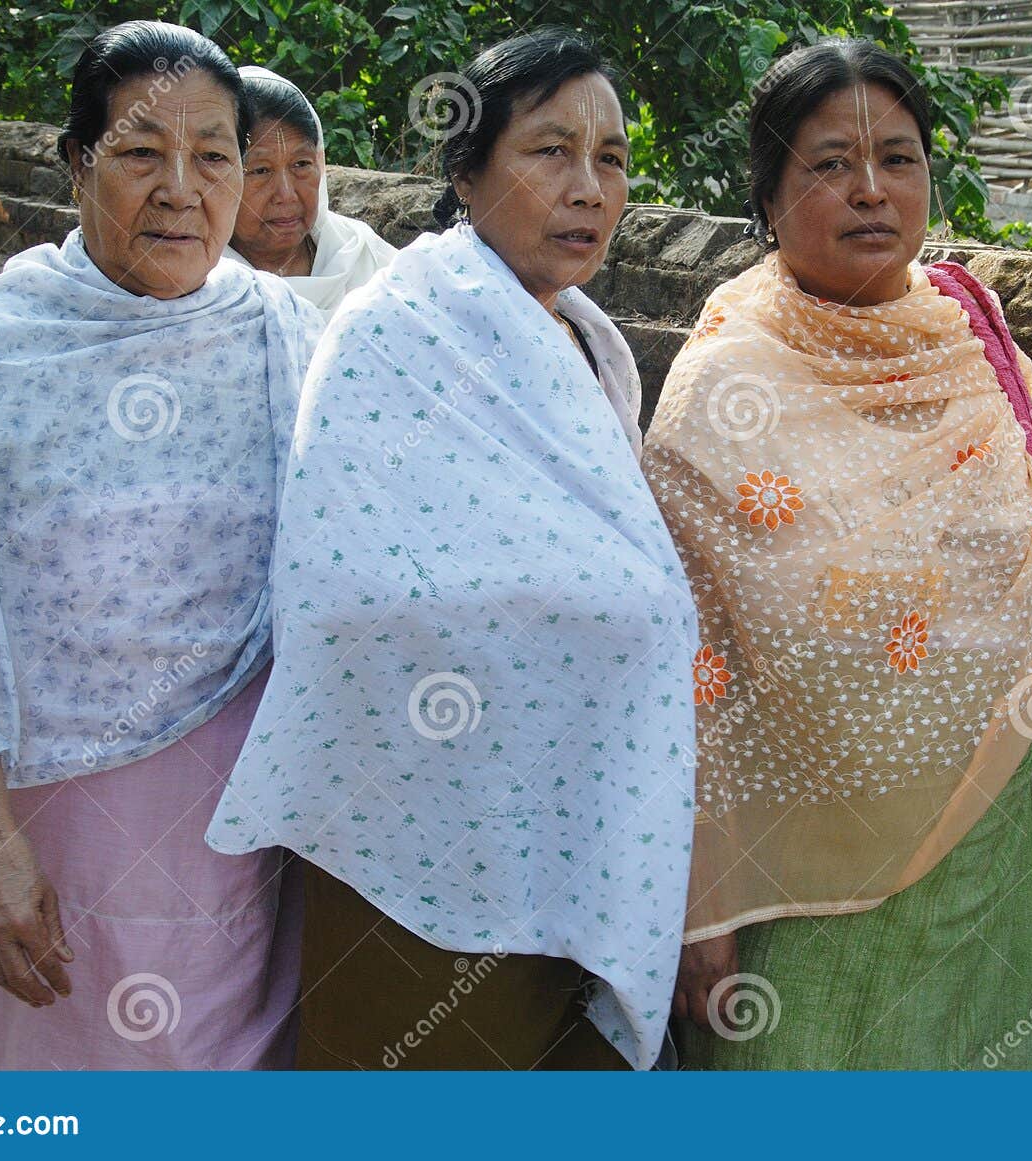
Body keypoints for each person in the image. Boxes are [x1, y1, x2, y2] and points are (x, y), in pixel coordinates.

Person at [206, 28, 698, 1071]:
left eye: (610, 159)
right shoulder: (395, 330)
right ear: (466, 170)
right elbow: (346, 597)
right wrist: (582, 621)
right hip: (422, 832)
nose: (588, 187)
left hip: (576, 826)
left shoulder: (585, 337)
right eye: (550, 151)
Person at [641, 38, 1032, 1070]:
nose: (871, 191)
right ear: (766, 196)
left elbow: (1029, 506)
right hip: (797, 863)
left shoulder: (965, 335)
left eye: (898, 159)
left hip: (978, 821)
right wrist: (697, 904)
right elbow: (682, 669)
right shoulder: (724, 388)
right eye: (827, 165)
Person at [0, 20, 321, 1069]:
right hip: (59, 825)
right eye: (141, 152)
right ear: (78, 162)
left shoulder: (288, 334)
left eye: (213, 155)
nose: (181, 188)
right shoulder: (0, 344)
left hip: (247, 829)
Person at [225, 65, 395, 315]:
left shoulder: (363, 257)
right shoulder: (200, 283)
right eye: (260, 170)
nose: (286, 194)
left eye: (301, 164)